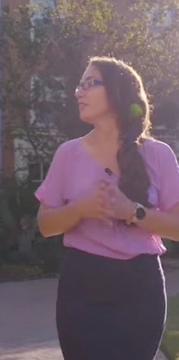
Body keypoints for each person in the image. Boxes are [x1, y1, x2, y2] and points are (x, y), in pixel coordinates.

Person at [35, 57, 171, 359]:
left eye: (89, 83)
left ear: (117, 92)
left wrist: (133, 212)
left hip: (141, 288)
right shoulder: (67, 154)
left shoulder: (159, 154)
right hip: (83, 286)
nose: (77, 92)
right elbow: (45, 225)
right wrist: (80, 209)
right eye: (78, 85)